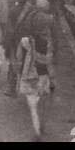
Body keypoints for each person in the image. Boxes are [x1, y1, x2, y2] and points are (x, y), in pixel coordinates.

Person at [16, 9, 55, 140]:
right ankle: (42, 126)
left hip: (29, 76)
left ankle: (37, 130)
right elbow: (49, 63)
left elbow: (19, 58)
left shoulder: (25, 41)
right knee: (44, 103)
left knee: (33, 107)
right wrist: (53, 78)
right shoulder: (48, 43)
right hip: (43, 76)